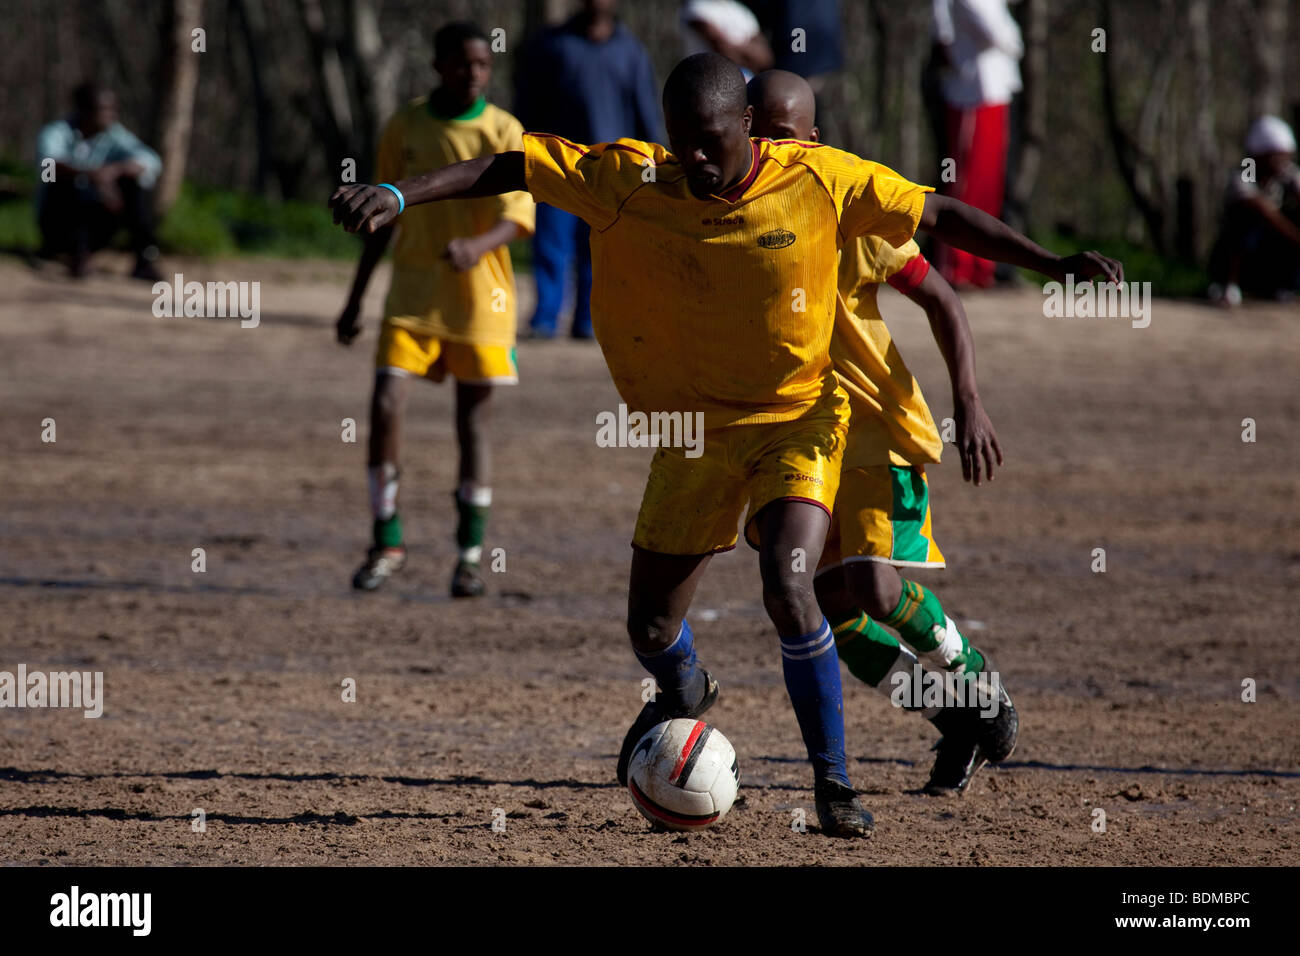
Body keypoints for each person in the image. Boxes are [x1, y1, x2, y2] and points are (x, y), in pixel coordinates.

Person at [330, 53, 1121, 836]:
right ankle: (909, 711)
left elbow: (942, 245)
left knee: (823, 586)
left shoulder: (832, 186)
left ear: (764, 131)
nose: (698, 160)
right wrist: (399, 192)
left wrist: (1045, 276)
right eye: (684, 143)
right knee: (737, 625)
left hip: (840, 420)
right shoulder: (643, 181)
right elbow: (518, 164)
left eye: (720, 140)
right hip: (697, 431)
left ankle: (884, 752)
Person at [748, 69, 1016, 796]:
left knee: (870, 579)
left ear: (813, 142)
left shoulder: (853, 215)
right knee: (824, 611)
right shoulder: (730, 220)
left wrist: (969, 397)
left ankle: (977, 683)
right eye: (757, 134)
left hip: (875, 430)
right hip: (794, 440)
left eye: (784, 136)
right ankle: (954, 717)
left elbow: (940, 297)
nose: (770, 149)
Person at [334, 21, 534, 598]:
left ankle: (469, 555)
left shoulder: (504, 129)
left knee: (472, 422)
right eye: (462, 63)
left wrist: (477, 245)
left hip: (481, 302)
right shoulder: (406, 124)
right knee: (384, 404)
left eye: (482, 65)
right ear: (438, 66)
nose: (472, 73)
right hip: (412, 297)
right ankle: (386, 538)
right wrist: (354, 299)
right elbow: (382, 212)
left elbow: (521, 214)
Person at [514, 0, 662, 339]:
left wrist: (652, 167)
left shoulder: (630, 51)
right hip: (557, 166)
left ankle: (588, 321)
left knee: (599, 247)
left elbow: (645, 113)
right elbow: (528, 103)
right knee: (552, 244)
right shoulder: (551, 45)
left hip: (611, 171)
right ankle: (545, 319)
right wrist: (524, 150)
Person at [930, 0, 1023, 289]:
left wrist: (1010, 36)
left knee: (988, 187)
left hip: (995, 91)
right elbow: (999, 35)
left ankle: (982, 267)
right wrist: (1010, 36)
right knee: (964, 185)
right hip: (971, 93)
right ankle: (954, 266)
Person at [35, 82, 163, 280]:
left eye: (113, 109)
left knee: (134, 183)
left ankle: (145, 259)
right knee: (62, 181)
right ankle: (77, 256)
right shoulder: (56, 132)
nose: (111, 115)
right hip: (57, 224)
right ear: (83, 110)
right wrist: (88, 175)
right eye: (104, 109)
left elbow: (151, 160)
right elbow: (46, 168)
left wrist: (113, 172)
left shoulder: (114, 134)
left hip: (100, 222)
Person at [1209, 115, 1300, 306]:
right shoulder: (1246, 172)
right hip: (1241, 254)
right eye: (1277, 155)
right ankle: (1229, 285)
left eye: (1286, 155)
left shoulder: (1287, 174)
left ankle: (1285, 285)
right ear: (1260, 155)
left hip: (1272, 252)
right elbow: (1261, 208)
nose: (1284, 161)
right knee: (1246, 220)